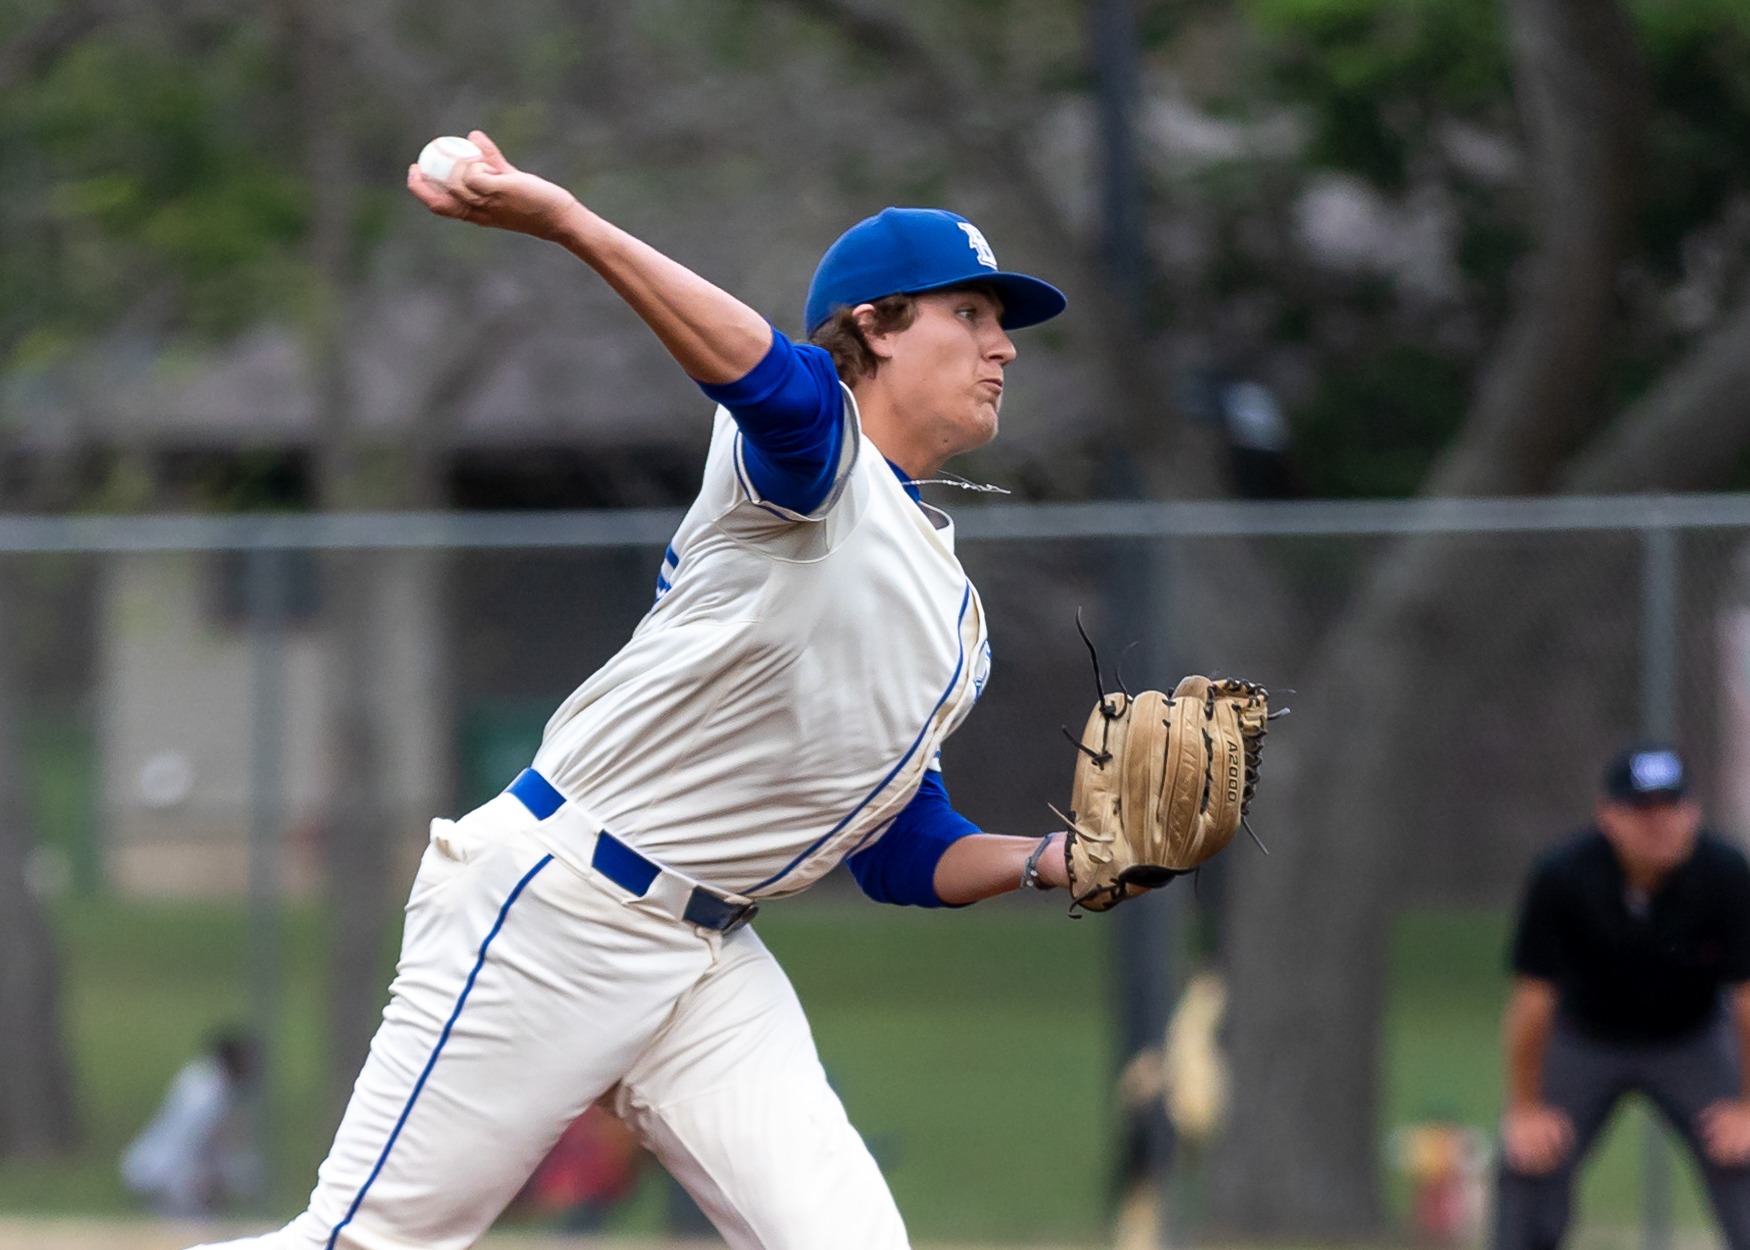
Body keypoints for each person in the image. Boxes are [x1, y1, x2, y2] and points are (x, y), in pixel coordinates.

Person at [189, 131, 1074, 1250]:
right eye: (972, 314)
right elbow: (770, 383)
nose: (1003, 346)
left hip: (709, 960)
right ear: (874, 329)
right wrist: (570, 223)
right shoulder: (809, 464)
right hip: (558, 903)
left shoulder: (952, 614)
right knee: (362, 1245)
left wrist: (1060, 859)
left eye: (1003, 324)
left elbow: (899, 844)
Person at [1495, 745, 1750, 1250]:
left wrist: (1748, 1105)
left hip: (1691, 1038)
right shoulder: (1563, 875)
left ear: (1694, 812)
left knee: (1742, 1154)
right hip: (1585, 1037)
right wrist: (1525, 1108)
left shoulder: (1725, 873)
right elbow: (1531, 1001)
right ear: (1608, 816)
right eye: (1642, 811)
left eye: (1672, 808)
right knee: (1528, 1160)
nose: (1660, 824)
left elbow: (1747, 997)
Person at [124, 1029, 262, 1218]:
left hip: (161, 1169)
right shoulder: (207, 1095)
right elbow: (193, 1142)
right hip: (168, 1176)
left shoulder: (202, 1077)